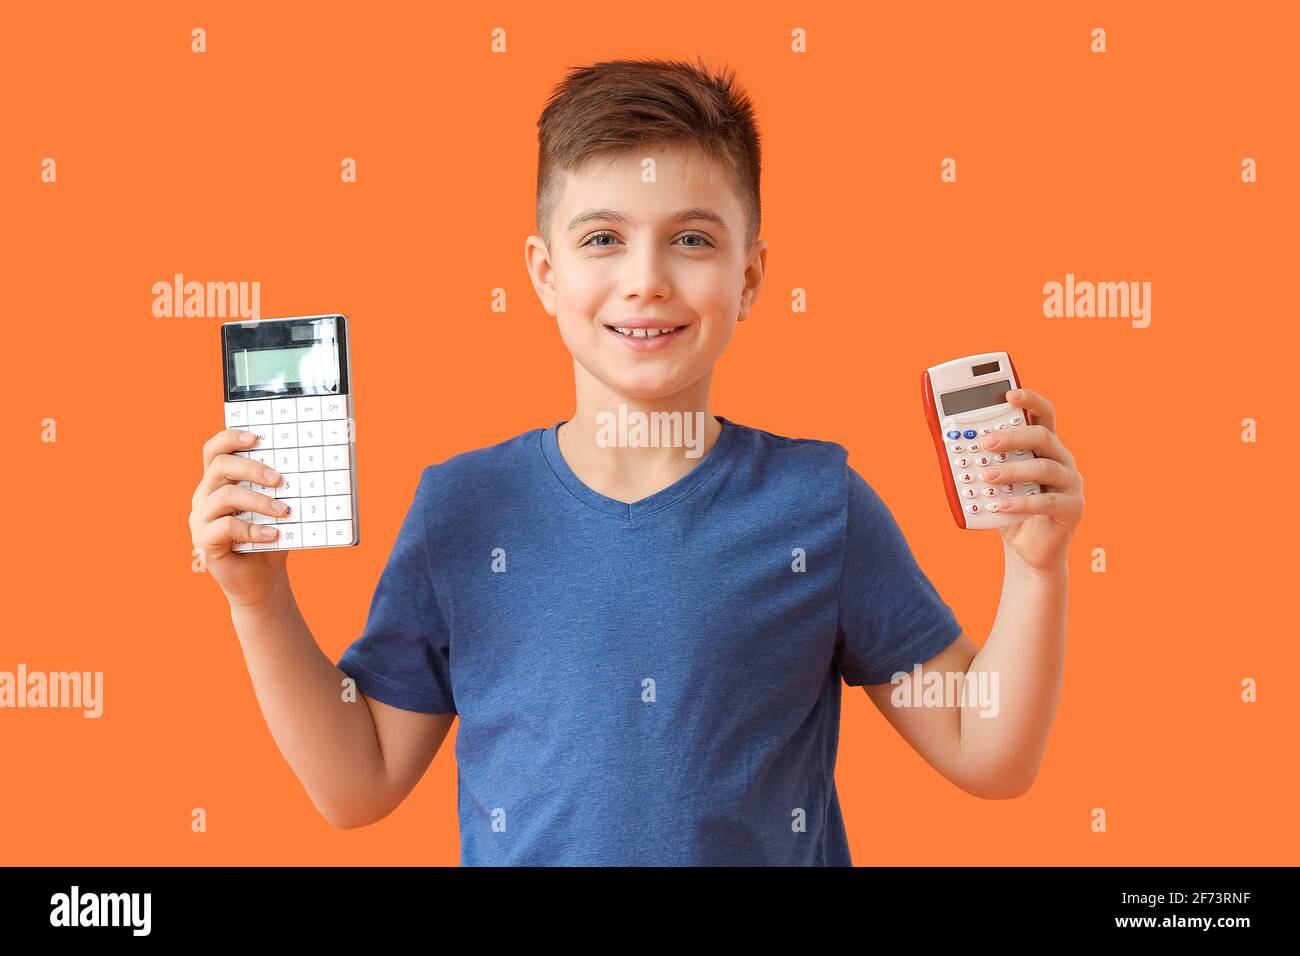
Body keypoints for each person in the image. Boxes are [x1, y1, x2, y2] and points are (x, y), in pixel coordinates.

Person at [187, 56, 1085, 865]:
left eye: (692, 239)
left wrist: (1035, 572)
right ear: (543, 272)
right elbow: (359, 783)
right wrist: (260, 603)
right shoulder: (460, 509)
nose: (646, 279)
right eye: (602, 238)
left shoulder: (820, 505)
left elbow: (986, 750)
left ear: (752, 275)